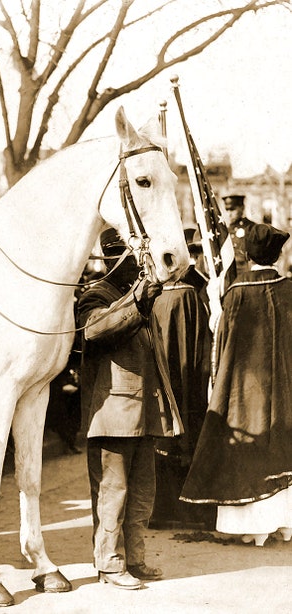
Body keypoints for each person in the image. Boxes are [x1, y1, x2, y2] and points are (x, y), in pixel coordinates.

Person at [77, 228, 182, 590]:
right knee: (113, 494)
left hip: (141, 414)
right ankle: (109, 564)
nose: (138, 264)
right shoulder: (95, 295)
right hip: (112, 416)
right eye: (130, 256)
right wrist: (135, 302)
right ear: (112, 258)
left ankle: (133, 559)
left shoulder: (133, 296)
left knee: (141, 495)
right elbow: (94, 330)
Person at [180, 223, 292, 546]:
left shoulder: (237, 292)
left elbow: (223, 344)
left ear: (247, 255)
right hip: (285, 386)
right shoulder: (288, 290)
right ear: (278, 254)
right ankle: (285, 524)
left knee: (249, 447)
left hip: (246, 390)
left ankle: (256, 526)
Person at [148, 228, 215, 530]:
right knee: (189, 432)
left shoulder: (155, 296)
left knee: (163, 439)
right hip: (191, 384)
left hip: (163, 383)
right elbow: (202, 343)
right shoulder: (190, 296)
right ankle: (190, 511)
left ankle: (161, 510)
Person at [222, 194, 257, 275]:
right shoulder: (224, 230)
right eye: (227, 210)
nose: (229, 214)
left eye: (232, 210)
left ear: (242, 208)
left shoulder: (251, 228)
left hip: (246, 272)